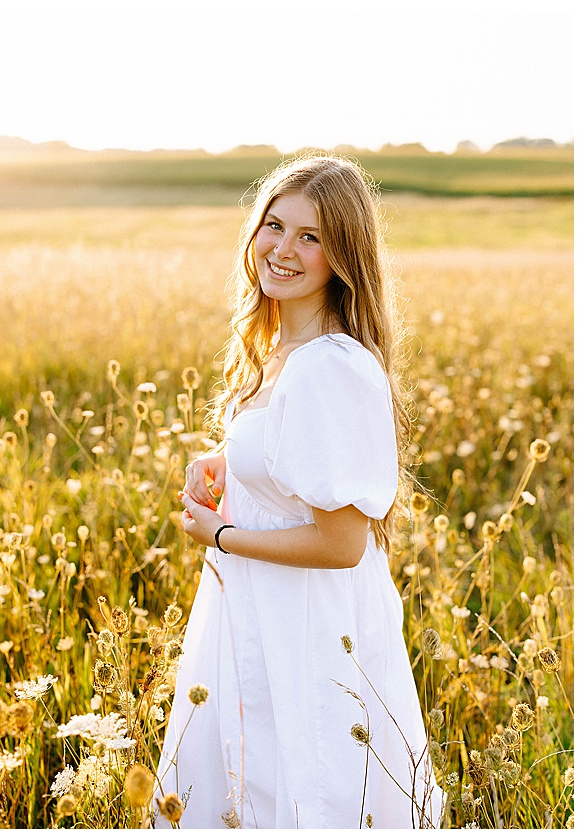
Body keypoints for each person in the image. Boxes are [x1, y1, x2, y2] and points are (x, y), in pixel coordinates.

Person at [155, 155, 443, 828]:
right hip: (259, 606)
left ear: (342, 253)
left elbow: (342, 544)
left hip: (306, 623)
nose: (283, 249)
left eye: (310, 236)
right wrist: (228, 460)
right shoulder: (284, 350)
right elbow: (292, 456)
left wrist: (220, 534)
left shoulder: (329, 367)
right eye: (274, 225)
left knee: (306, 789)